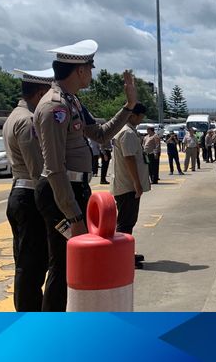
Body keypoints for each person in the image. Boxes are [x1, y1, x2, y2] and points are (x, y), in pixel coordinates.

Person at [34, 39, 138, 312]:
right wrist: (73, 216)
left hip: (76, 189)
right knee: (62, 264)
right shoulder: (54, 107)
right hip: (60, 194)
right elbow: (54, 167)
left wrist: (129, 106)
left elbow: (101, 134)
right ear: (79, 70)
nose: (92, 73)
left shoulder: (72, 102)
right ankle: (52, 332)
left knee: (71, 263)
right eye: (90, 67)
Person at [2, 68, 54, 311]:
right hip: (30, 195)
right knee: (32, 264)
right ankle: (29, 314)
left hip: (20, 193)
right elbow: (37, 168)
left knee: (25, 259)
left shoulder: (14, 115)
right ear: (41, 92)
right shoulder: (27, 120)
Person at [111, 103, 151, 269]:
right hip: (127, 185)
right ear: (133, 115)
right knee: (126, 222)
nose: (141, 120)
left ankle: (125, 253)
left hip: (126, 184)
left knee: (127, 221)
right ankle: (122, 256)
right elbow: (129, 158)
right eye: (140, 117)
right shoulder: (127, 133)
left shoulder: (126, 131)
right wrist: (136, 183)